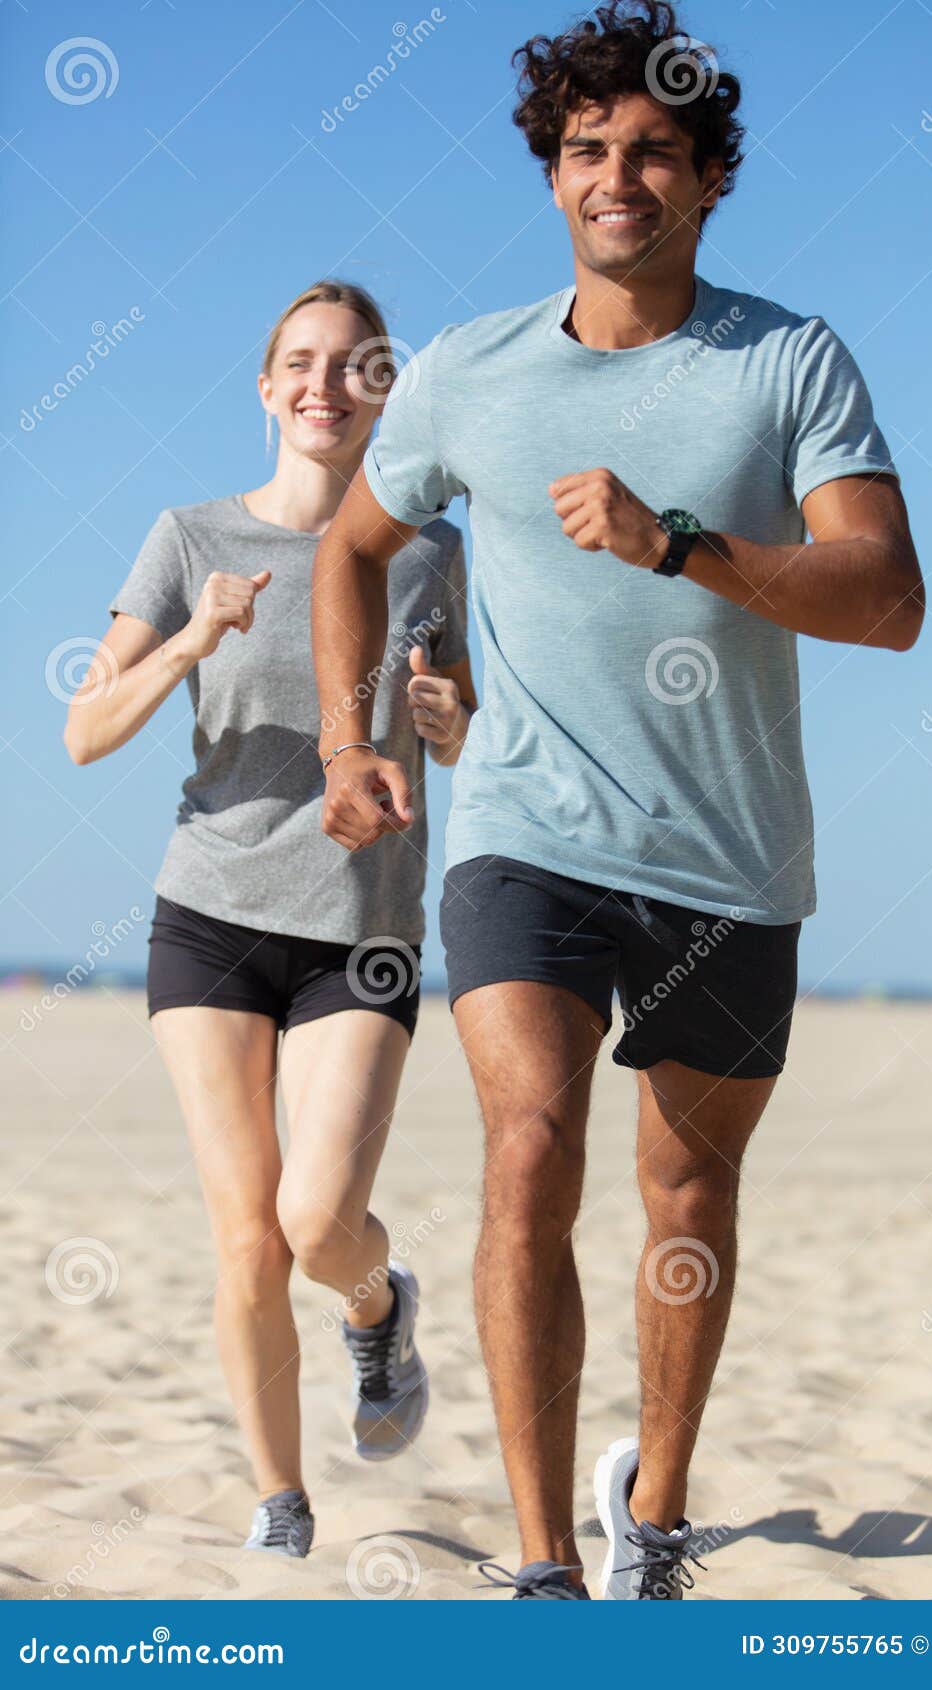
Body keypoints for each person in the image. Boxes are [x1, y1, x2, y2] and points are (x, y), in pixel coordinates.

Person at [310, 1, 924, 1601]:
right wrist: (344, 738)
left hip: (727, 853)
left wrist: (685, 545)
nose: (616, 176)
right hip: (526, 827)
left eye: (653, 149)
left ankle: (647, 1509)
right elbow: (353, 549)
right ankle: (538, 1566)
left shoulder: (788, 358)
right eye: (587, 149)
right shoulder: (468, 373)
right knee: (528, 1141)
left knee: (686, 1187)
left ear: (711, 177)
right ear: (552, 172)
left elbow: (886, 596)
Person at [63, 279, 477, 1559]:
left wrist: (444, 723)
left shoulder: (429, 551)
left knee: (313, 1224)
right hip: (210, 915)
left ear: (384, 393)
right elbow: (86, 728)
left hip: (360, 926)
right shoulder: (187, 536)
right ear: (264, 384)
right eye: (299, 362)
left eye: (355, 366)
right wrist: (195, 637)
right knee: (245, 1235)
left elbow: (462, 725)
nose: (323, 385)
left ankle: (374, 1306)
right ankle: (281, 1504)